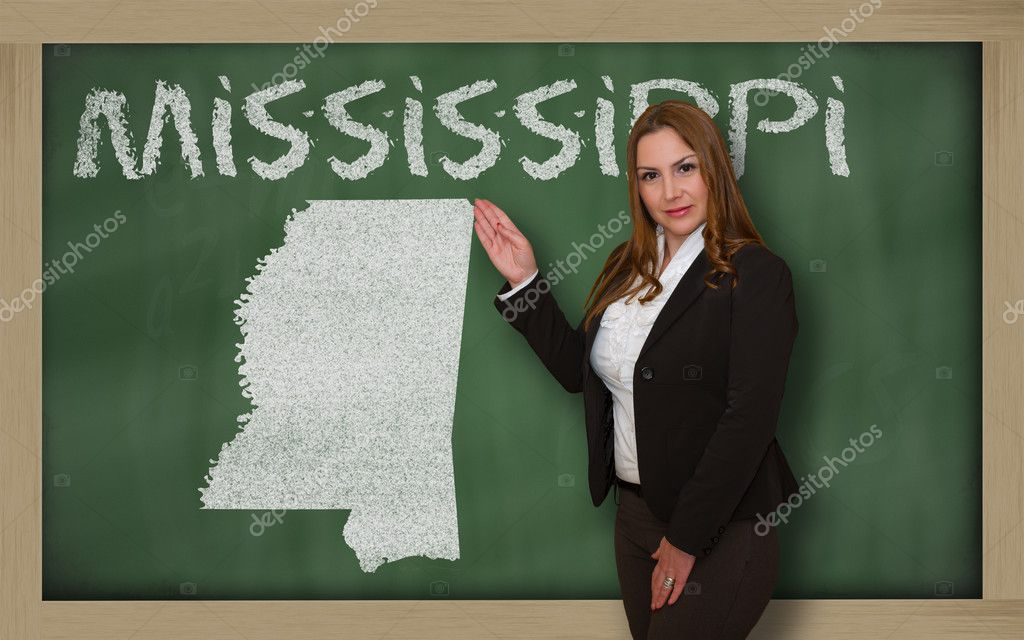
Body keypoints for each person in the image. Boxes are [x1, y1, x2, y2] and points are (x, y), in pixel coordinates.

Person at [472, 99, 800, 640]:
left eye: (685, 168)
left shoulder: (756, 274)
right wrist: (526, 282)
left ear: (713, 169)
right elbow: (582, 374)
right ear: (637, 186)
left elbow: (749, 418)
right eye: (652, 175)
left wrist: (686, 539)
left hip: (720, 523)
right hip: (634, 518)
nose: (670, 192)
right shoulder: (626, 266)